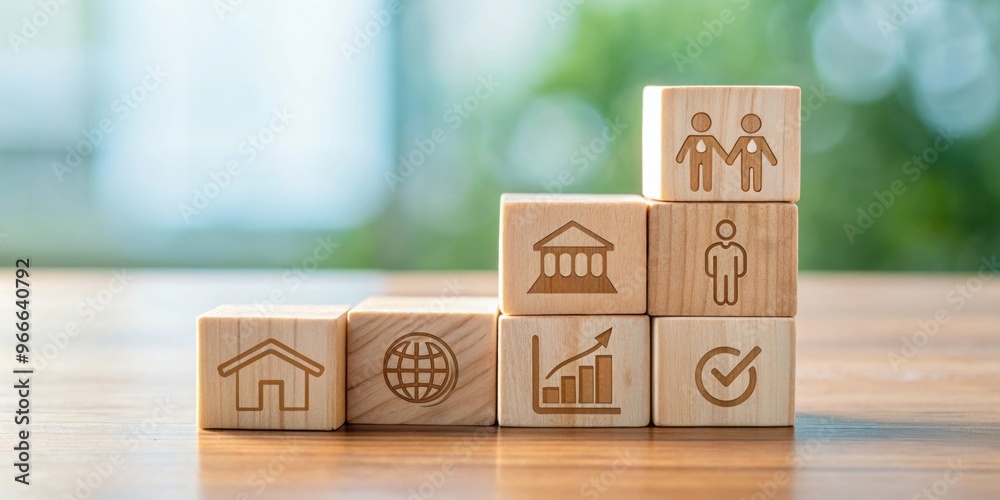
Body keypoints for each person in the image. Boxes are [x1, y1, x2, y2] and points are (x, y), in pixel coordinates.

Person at [675, 112, 728, 192]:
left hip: (706, 159)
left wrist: (726, 158)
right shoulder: (691, 139)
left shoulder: (710, 139)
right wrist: (680, 158)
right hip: (694, 158)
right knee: (694, 173)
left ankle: (707, 187)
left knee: (707, 172)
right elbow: (684, 149)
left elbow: (718, 149)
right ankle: (694, 187)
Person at [725, 113, 777, 192]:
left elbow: (767, 151)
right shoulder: (742, 140)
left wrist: (772, 160)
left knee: (757, 175)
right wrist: (730, 159)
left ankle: (757, 188)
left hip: (757, 161)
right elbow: (736, 150)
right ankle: (745, 188)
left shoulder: (760, 140)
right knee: (745, 174)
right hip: (745, 161)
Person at [704, 220, 747, 306]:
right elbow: (710, 263)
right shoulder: (716, 249)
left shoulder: (735, 248)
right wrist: (712, 273)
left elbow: (741, 264)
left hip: (731, 272)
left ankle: (729, 300)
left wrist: (739, 273)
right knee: (720, 287)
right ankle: (721, 300)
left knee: (731, 286)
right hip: (720, 272)